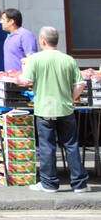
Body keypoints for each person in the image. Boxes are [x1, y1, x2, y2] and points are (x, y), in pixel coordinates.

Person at [21, 27, 88, 193]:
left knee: (47, 146)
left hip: (44, 109)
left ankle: (49, 183)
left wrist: (22, 71)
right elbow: (80, 84)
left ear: (43, 41)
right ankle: (79, 184)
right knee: (71, 145)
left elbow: (25, 80)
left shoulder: (35, 59)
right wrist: (70, 99)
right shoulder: (68, 59)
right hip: (65, 108)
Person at [1, 8, 37, 74]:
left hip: (22, 81)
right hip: (10, 79)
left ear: (11, 21)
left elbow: (32, 59)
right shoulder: (8, 37)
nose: (1, 22)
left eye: (3, 19)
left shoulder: (25, 35)